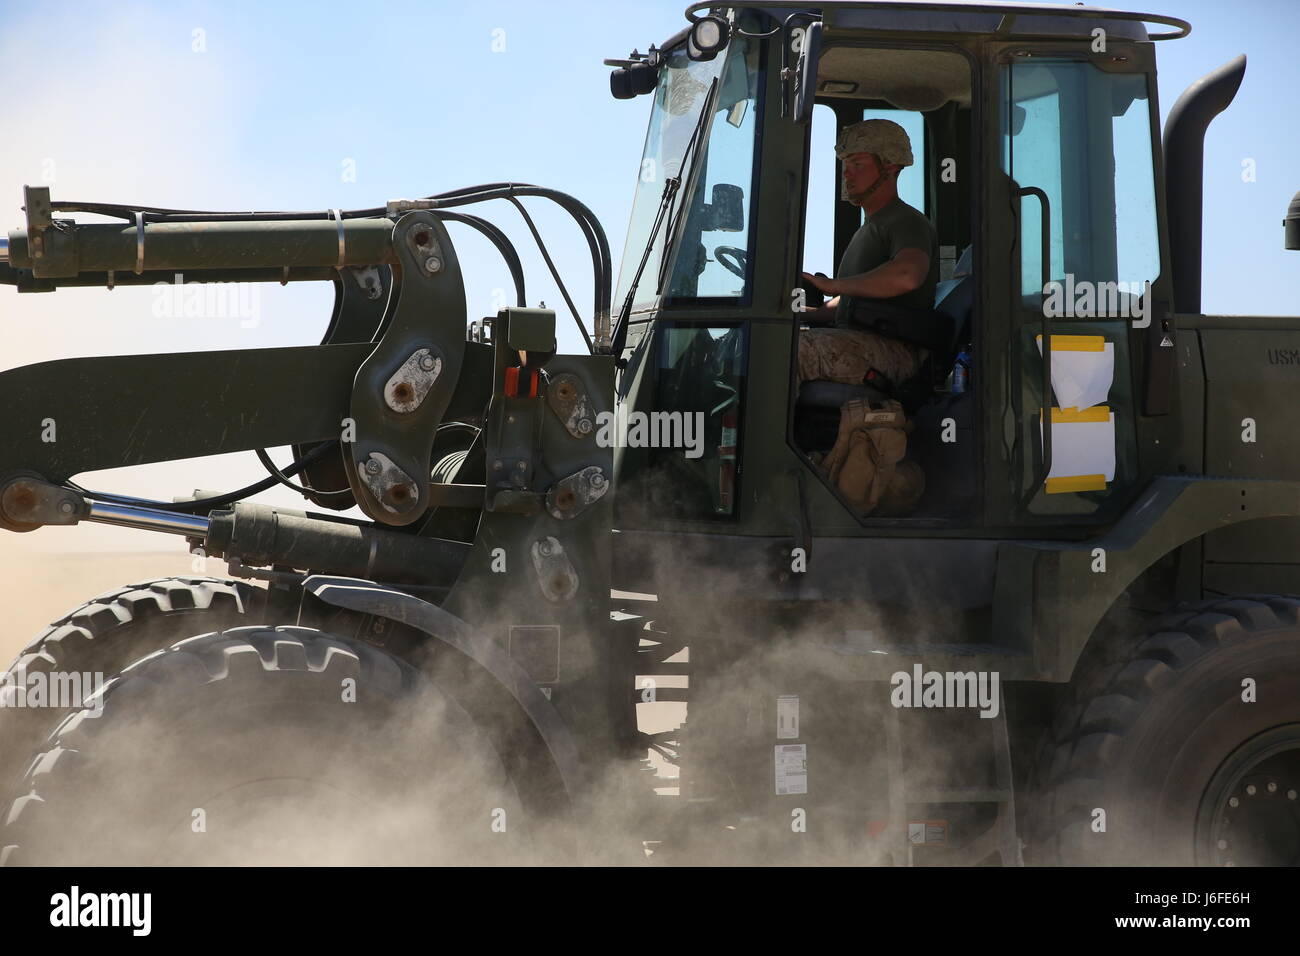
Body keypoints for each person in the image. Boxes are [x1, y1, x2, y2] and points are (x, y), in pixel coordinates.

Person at [798, 118, 939, 390]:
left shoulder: (906, 221)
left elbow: (908, 275)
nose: (847, 174)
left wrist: (833, 285)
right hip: (861, 341)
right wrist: (802, 314)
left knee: (791, 352)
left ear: (889, 167)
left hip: (894, 351)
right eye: (845, 165)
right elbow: (850, 305)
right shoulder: (871, 227)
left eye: (858, 165)